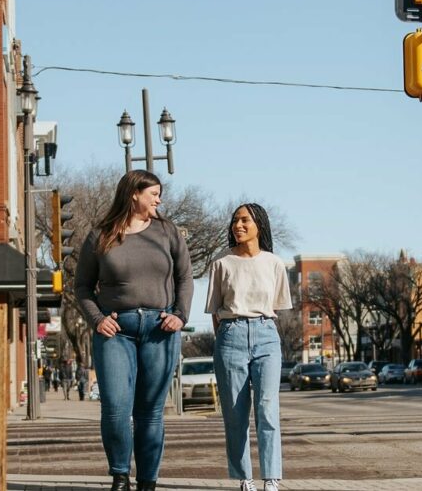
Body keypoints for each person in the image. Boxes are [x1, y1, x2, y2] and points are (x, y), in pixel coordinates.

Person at [75, 170, 193, 491]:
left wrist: (180, 315)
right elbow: (82, 286)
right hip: (116, 332)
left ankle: (148, 482)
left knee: (150, 411)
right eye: (153, 193)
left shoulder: (167, 232)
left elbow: (185, 278)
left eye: (159, 193)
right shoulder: (101, 235)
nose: (159, 199)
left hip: (160, 328)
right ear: (133, 195)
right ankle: (119, 476)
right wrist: (98, 318)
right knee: (115, 406)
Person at [206, 204, 293, 491]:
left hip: (266, 334)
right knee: (235, 413)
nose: (238, 225)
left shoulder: (275, 263)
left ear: (259, 225)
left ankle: (271, 478)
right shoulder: (221, 264)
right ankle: (245, 478)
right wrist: (226, 339)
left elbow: (277, 308)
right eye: (234, 221)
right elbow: (215, 313)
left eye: (244, 220)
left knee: (268, 408)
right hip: (231, 335)